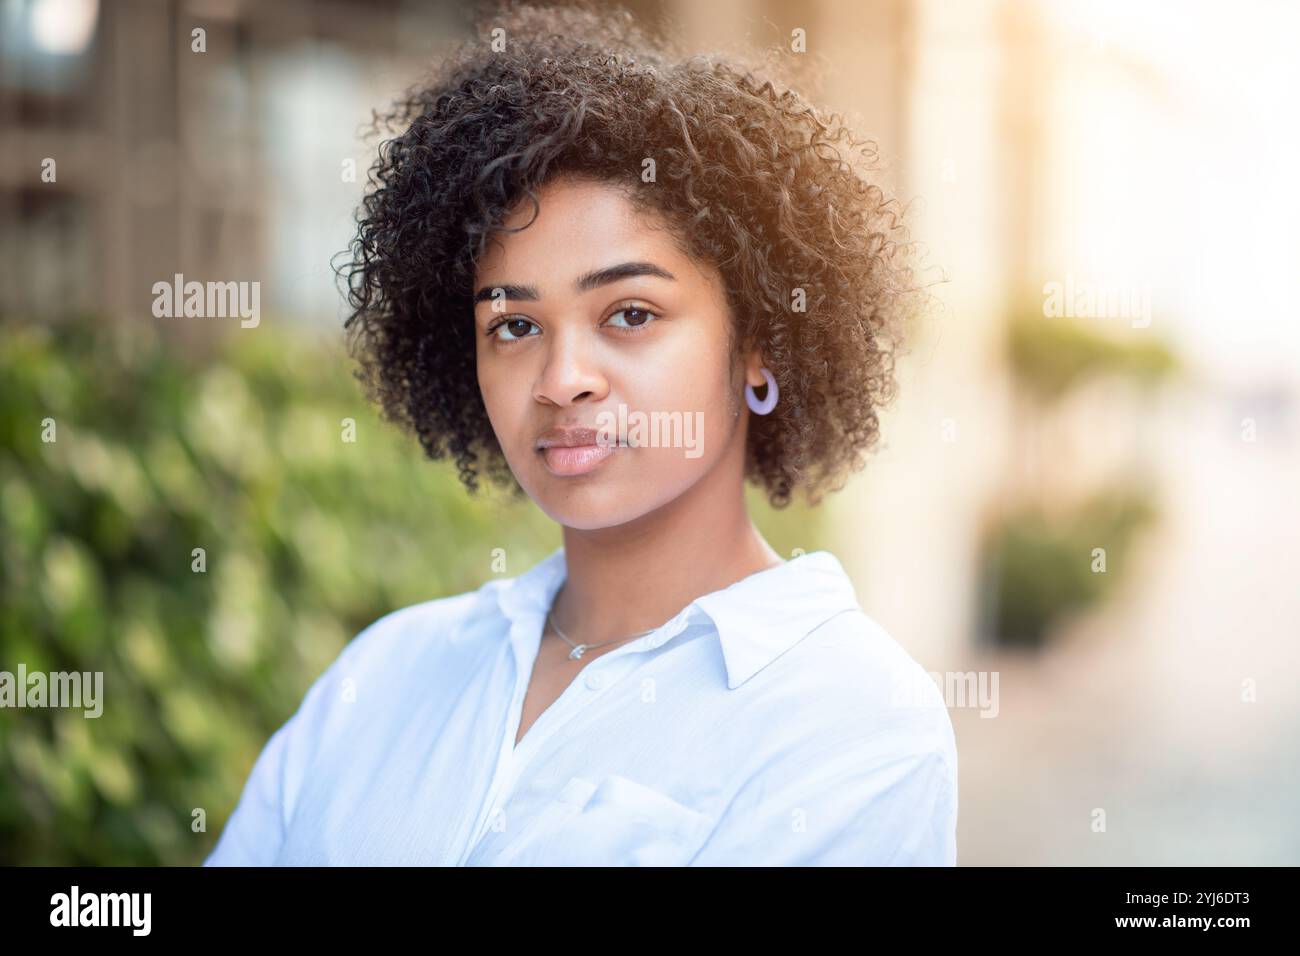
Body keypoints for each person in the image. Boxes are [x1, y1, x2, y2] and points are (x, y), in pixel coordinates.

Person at [205, 0, 955, 866]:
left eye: (629, 313)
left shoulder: (852, 724)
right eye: (514, 326)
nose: (563, 380)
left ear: (759, 345)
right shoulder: (388, 671)